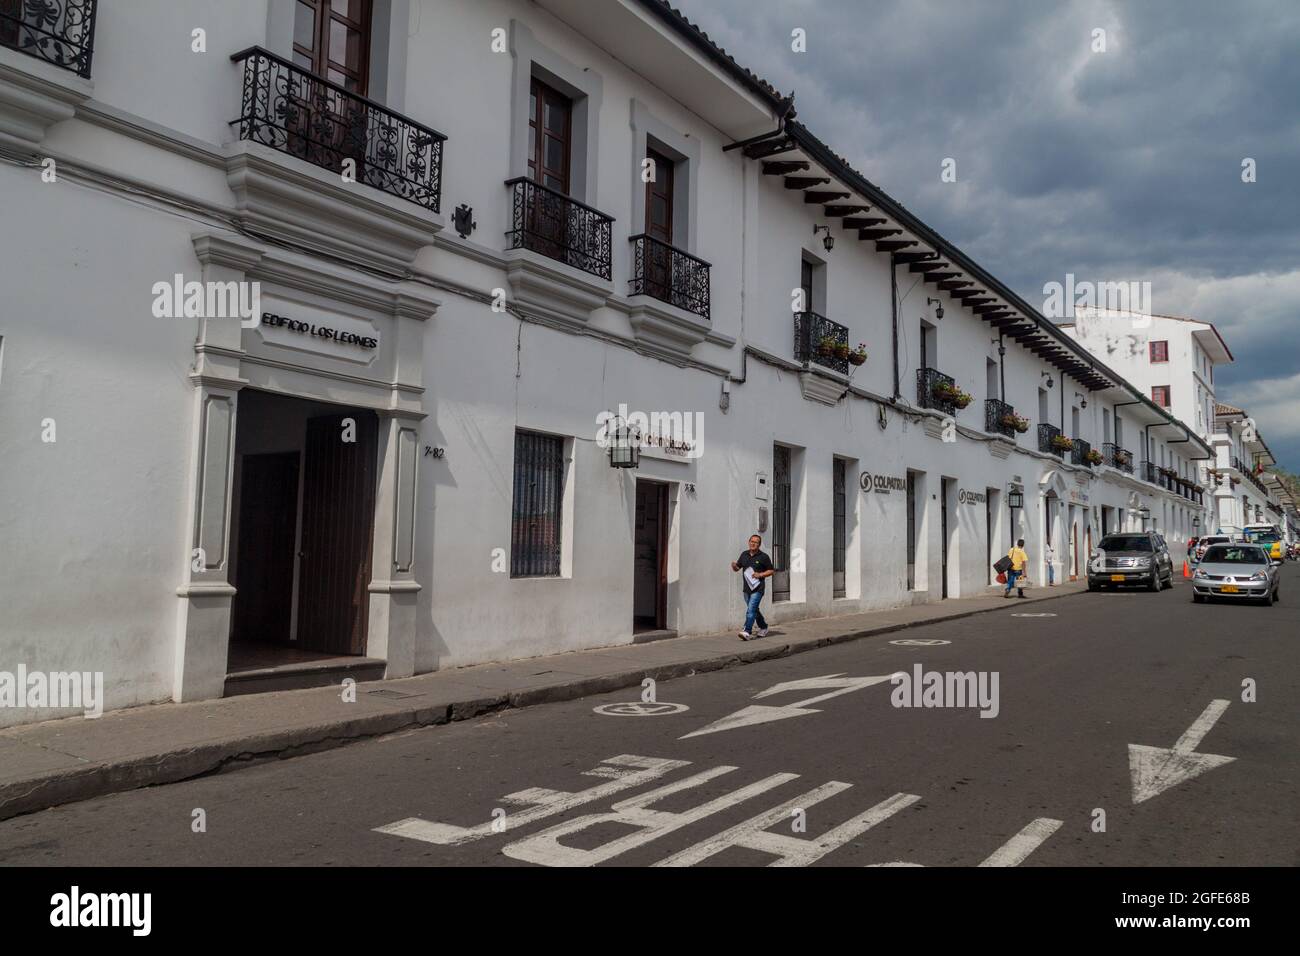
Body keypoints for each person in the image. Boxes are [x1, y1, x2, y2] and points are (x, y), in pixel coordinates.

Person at [731, 534, 775, 640]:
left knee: (751, 610)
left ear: (759, 545)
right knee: (754, 610)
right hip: (746, 589)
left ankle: (747, 631)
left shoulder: (763, 557)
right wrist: (734, 566)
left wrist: (760, 575)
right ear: (749, 542)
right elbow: (738, 568)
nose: (753, 543)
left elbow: (771, 571)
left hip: (758, 589)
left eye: (756, 542)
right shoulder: (744, 554)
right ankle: (763, 627)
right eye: (752, 541)